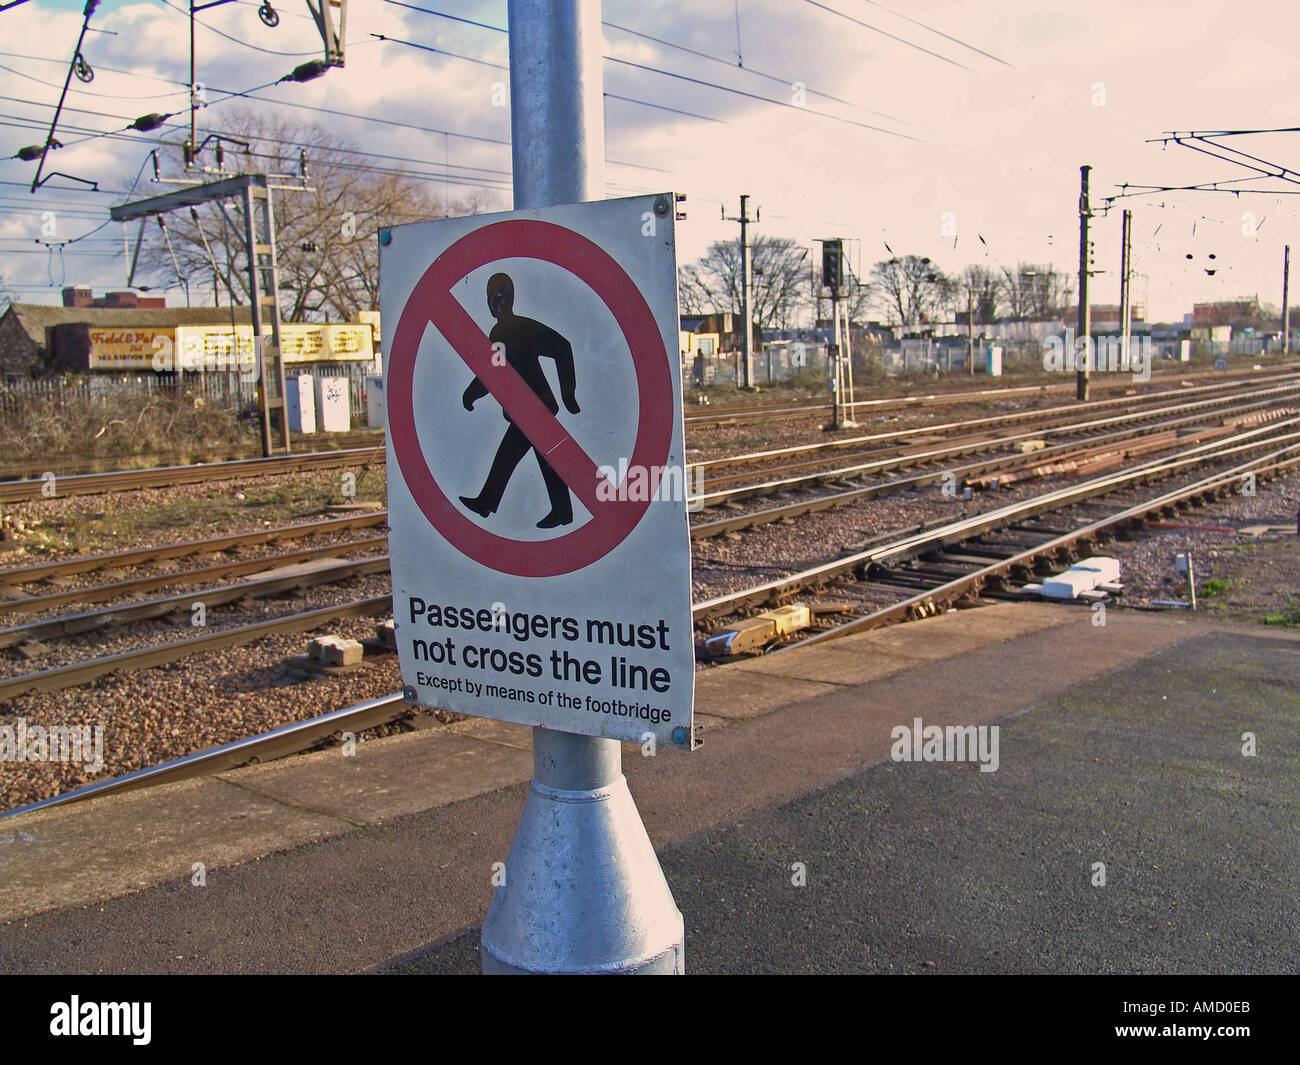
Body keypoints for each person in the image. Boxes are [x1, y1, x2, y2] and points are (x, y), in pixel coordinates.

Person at [459, 272, 580, 529]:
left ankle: (487, 503)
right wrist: (472, 393)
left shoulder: (520, 328)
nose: (496, 303)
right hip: (528, 410)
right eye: (491, 297)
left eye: (501, 296)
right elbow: (492, 371)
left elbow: (563, 347)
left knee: (508, 457)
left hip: (535, 409)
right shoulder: (499, 332)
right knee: (546, 460)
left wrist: (568, 394)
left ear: (511, 299)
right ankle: (562, 511)